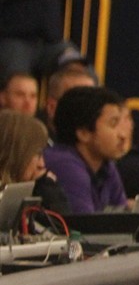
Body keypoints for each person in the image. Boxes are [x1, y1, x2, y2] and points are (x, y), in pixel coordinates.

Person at [43, 85, 131, 214]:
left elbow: (125, 217)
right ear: (84, 133)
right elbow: (85, 224)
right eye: (113, 124)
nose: (123, 135)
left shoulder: (106, 165)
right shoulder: (65, 165)